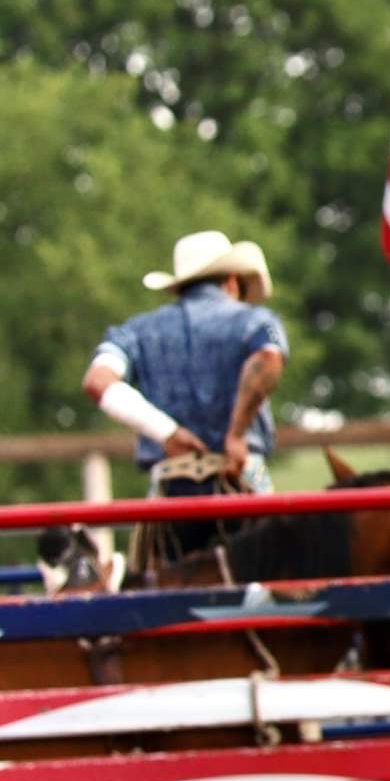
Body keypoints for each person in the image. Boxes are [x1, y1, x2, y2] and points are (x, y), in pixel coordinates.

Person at [81, 230, 288, 563]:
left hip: (171, 489)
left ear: (179, 286)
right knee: (265, 582)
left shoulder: (136, 331)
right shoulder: (254, 321)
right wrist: (235, 434)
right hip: (241, 477)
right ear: (232, 282)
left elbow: (98, 381)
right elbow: (268, 359)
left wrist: (168, 433)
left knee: (164, 593)